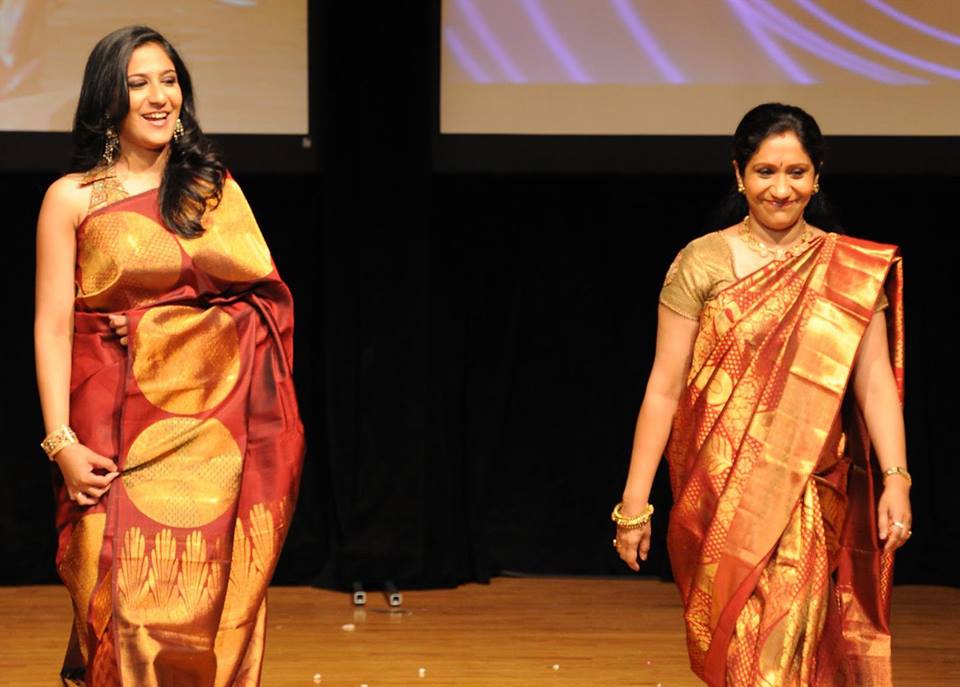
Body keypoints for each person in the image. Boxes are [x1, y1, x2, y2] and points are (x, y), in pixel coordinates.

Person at [34, 26, 304, 685]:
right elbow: (50, 327)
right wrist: (60, 441)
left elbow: (267, 305)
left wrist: (169, 329)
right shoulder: (70, 199)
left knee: (205, 602)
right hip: (107, 431)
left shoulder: (211, 192)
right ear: (107, 100)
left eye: (169, 80)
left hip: (210, 436)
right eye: (137, 83)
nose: (158, 97)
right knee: (114, 600)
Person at [611, 103, 911, 686]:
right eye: (765, 172)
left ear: (817, 175)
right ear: (739, 174)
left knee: (785, 655)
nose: (780, 189)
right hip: (718, 498)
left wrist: (896, 477)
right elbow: (665, 386)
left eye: (796, 172)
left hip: (806, 491)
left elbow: (873, 380)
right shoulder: (702, 261)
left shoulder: (848, 269)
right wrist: (634, 503)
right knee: (738, 652)